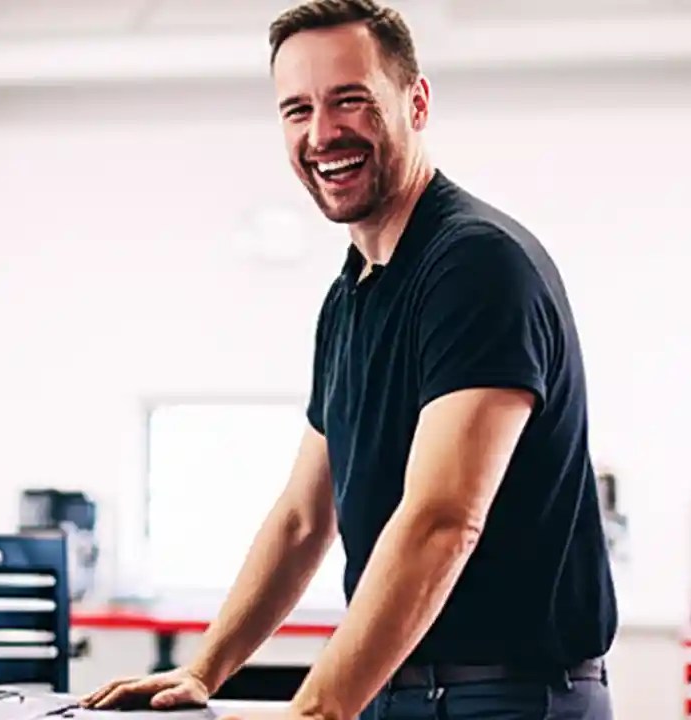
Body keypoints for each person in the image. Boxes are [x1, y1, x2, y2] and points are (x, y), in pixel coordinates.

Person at [81, 1, 617, 717]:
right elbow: (305, 515)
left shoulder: (476, 265)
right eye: (296, 109)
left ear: (416, 102)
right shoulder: (352, 293)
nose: (322, 133)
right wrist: (204, 669)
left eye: (350, 101)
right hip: (398, 690)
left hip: (505, 696)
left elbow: (442, 520)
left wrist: (316, 709)